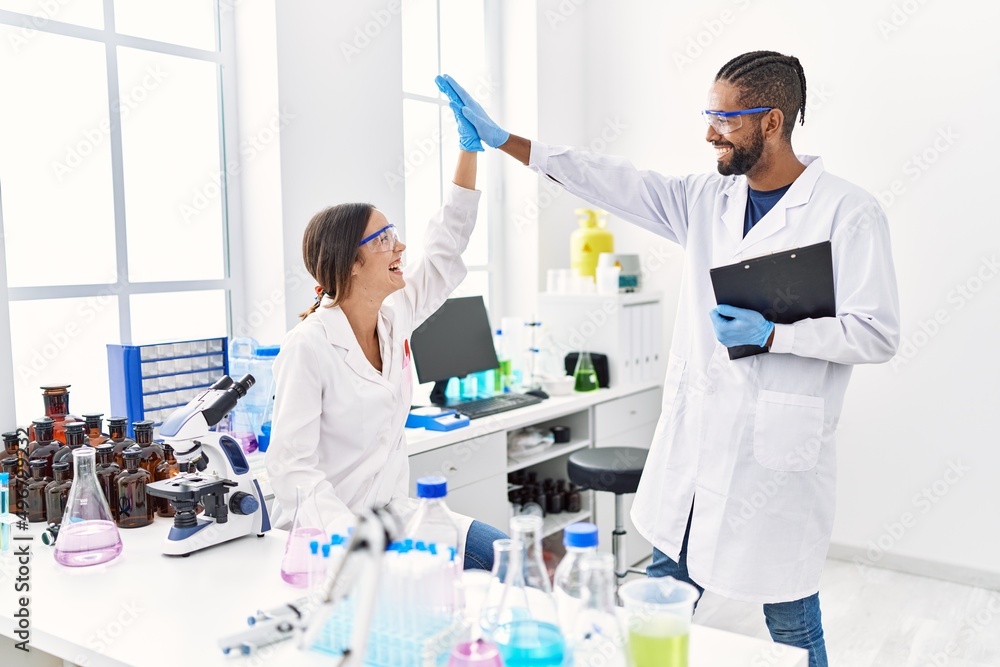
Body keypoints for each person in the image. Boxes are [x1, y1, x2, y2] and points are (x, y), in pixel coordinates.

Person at [441, 50, 899, 665]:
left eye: (725, 119)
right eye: (709, 116)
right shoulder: (706, 199)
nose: (710, 133)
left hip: (774, 464)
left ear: (773, 121)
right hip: (693, 455)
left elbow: (876, 333)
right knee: (657, 605)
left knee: (790, 621)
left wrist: (775, 335)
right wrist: (506, 142)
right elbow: (608, 179)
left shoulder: (848, 212)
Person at [265, 76, 507, 570]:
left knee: (504, 556)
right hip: (334, 539)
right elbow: (292, 470)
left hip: (396, 517)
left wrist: (469, 149)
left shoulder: (393, 315)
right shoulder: (308, 347)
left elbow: (445, 247)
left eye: (394, 234)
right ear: (350, 263)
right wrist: (354, 540)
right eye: (383, 240)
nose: (400, 247)